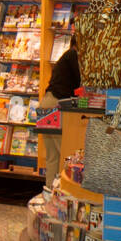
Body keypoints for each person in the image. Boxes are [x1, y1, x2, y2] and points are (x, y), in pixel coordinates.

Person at [39, 32, 80, 186]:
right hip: (57, 105)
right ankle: (60, 197)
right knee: (64, 153)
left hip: (46, 104)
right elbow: (80, 81)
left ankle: (49, 194)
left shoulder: (66, 56)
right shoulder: (73, 55)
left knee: (52, 157)